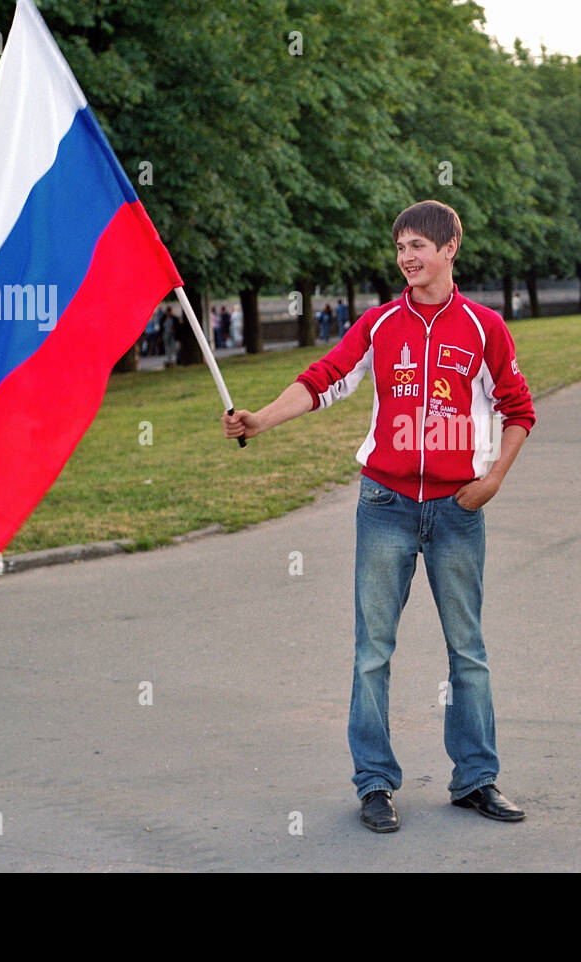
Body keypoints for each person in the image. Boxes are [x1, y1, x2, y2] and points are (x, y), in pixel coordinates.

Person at [222, 200, 535, 833]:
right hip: (386, 505)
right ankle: (374, 783)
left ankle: (476, 778)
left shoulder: (484, 327)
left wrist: (493, 480)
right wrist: (259, 417)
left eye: (418, 245)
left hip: (457, 509)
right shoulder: (379, 323)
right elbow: (324, 379)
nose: (406, 258)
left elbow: (518, 409)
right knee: (373, 651)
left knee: (467, 650)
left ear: (450, 248)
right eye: (400, 248)